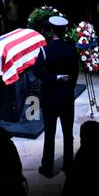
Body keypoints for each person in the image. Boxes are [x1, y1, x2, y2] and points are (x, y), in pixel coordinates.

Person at [38, 15, 79, 177]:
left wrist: (52, 78)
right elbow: (75, 73)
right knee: (68, 134)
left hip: (50, 98)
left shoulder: (45, 50)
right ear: (65, 30)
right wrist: (68, 88)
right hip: (66, 97)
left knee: (50, 134)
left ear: (51, 30)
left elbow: (37, 72)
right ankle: (68, 166)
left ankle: (47, 168)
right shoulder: (71, 49)